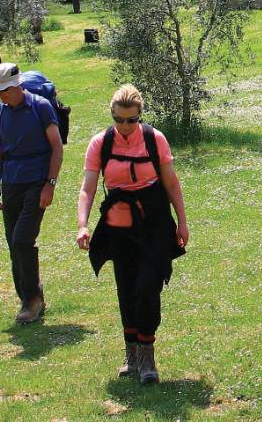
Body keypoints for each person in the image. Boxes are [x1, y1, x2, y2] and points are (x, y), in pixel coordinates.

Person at [76, 85, 190, 385]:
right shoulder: (100, 143)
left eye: (131, 120)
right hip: (119, 227)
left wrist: (182, 222)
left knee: (148, 287)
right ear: (112, 116)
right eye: (119, 120)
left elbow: (172, 184)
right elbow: (87, 189)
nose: (125, 126)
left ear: (140, 115)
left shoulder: (155, 140)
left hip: (154, 225)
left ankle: (147, 354)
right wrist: (82, 224)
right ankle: (131, 355)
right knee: (126, 288)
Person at [0, 61, 64, 323]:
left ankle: (32, 300)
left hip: (36, 182)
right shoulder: (0, 112)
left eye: (5, 90)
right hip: (11, 184)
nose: (1, 95)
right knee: (13, 245)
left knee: (22, 240)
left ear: (17, 85)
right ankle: (28, 297)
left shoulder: (40, 108)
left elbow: (56, 147)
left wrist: (50, 184)